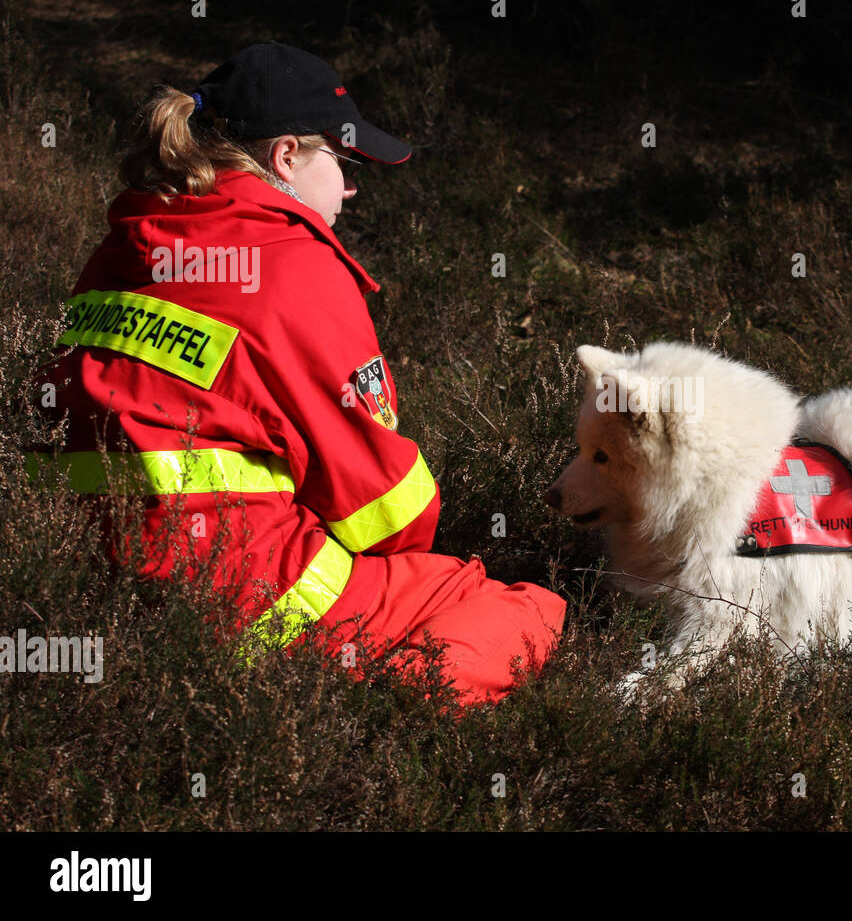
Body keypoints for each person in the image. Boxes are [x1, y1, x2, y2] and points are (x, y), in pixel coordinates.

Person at [27, 42, 566, 705]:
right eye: (341, 162)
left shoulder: (126, 243)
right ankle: (382, 718)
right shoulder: (291, 266)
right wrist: (423, 562)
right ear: (286, 155)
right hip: (235, 593)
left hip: (85, 581)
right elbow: (382, 510)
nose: (350, 185)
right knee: (528, 609)